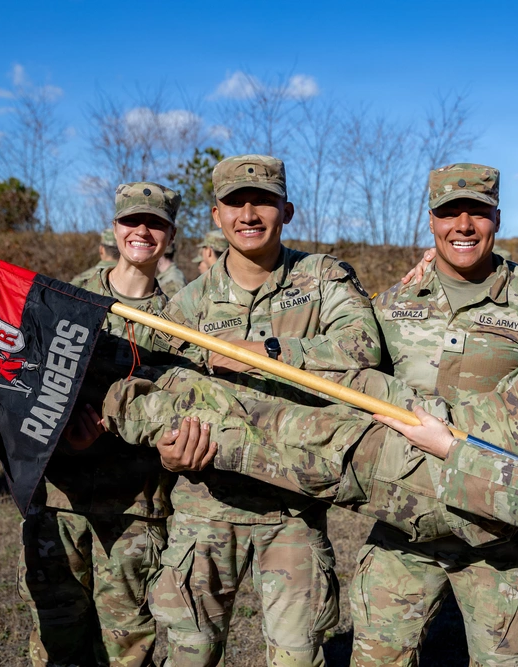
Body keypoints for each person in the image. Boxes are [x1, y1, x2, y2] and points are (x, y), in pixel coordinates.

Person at [97, 237, 518, 560]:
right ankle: (129, 359)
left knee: (279, 434)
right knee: (290, 382)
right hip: (435, 416)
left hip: (444, 473)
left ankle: (110, 403)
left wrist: (449, 449)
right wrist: (445, 267)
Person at [139, 154, 381, 667]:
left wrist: (268, 352)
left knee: (297, 657)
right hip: (205, 510)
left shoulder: (322, 279)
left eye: (263, 202)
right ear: (217, 215)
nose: (248, 215)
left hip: (292, 510)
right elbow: (156, 397)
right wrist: (167, 453)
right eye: (235, 203)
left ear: (286, 210)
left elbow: (363, 348)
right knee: (190, 656)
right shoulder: (187, 306)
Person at [347, 163, 518, 666]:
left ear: (497, 218)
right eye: (448, 213)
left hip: (494, 529)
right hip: (403, 526)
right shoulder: (391, 304)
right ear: (431, 221)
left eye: (477, 212)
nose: (463, 225)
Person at [18, 182, 179, 666]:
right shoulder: (65, 297)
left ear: (171, 235)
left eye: (155, 223)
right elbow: (25, 379)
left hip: (133, 508)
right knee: (57, 635)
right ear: (114, 228)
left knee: (127, 644)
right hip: (59, 500)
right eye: (132, 221)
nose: (142, 232)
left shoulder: (181, 316)